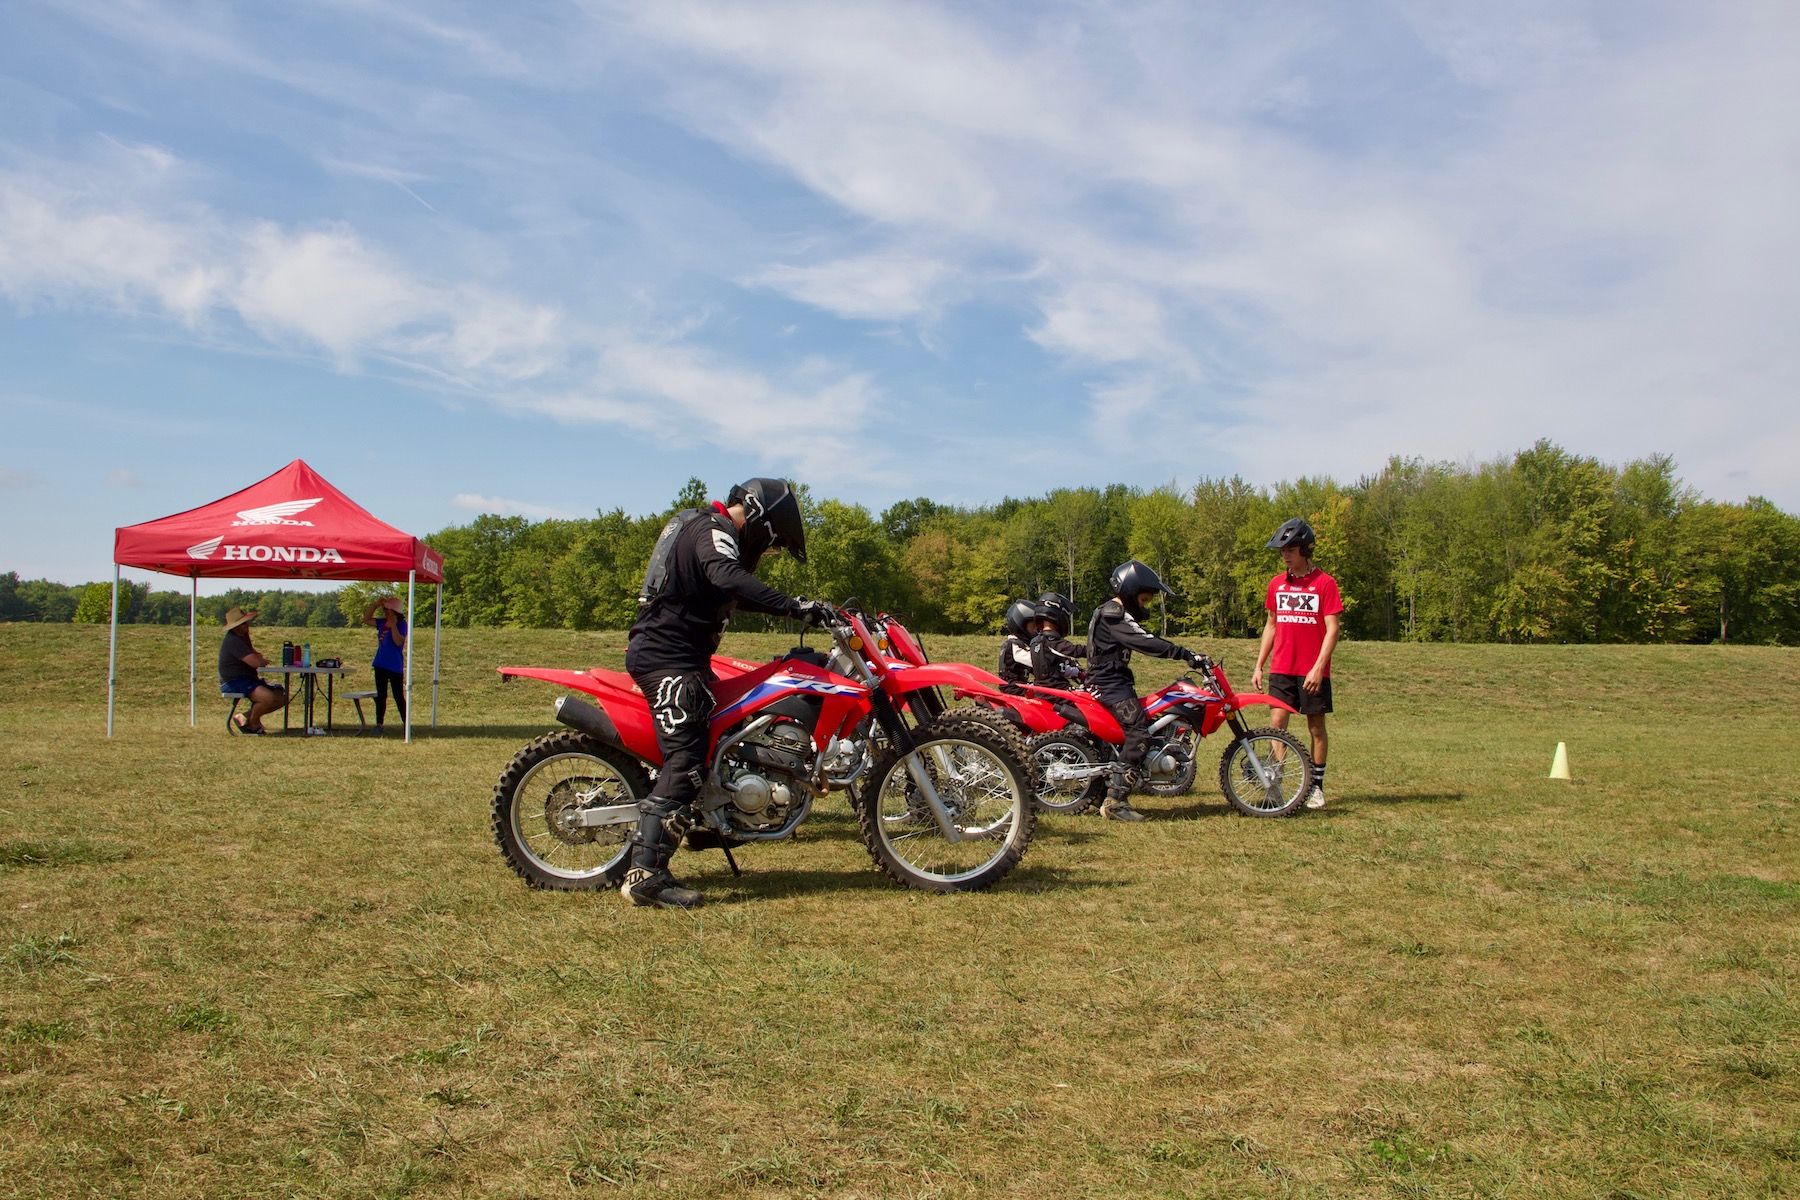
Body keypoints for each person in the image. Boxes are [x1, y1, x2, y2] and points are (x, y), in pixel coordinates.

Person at [621, 477, 828, 909]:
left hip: (678, 656)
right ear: (759, 521)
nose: (768, 554)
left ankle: (707, 824)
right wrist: (794, 605)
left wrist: (794, 604)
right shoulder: (713, 529)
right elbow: (728, 578)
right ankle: (645, 875)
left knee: (724, 740)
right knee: (687, 759)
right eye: (772, 545)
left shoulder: (701, 527)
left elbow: (729, 589)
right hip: (668, 660)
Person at [1086, 561, 1210, 821]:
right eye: (1144, 599)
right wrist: (1184, 654)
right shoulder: (1113, 613)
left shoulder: (1115, 612)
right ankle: (1115, 802)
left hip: (1114, 682)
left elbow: (1142, 635)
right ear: (1131, 592)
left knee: (1144, 724)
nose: (1145, 605)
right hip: (1108, 684)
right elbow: (1143, 640)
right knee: (1139, 732)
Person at [1250, 518, 1342, 810]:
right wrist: (1259, 664)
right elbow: (1271, 625)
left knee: (1316, 728)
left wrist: (1318, 667)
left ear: (1305, 549)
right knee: (1277, 726)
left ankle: (1316, 787)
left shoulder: (1325, 584)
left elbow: (1333, 629)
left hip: (1312, 671)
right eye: (1282, 551)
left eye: (1290, 549)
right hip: (1282, 669)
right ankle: (1274, 787)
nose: (1285, 555)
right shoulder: (1277, 584)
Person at [217, 606, 289, 735]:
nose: (247, 625)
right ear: (235, 627)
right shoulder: (233, 641)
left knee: (281, 697)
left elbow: (254, 654)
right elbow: (255, 662)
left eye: (246, 622)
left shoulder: (243, 636)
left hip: (247, 678)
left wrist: (258, 658)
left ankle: (244, 717)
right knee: (267, 697)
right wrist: (260, 660)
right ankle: (253, 724)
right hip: (233, 681)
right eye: (243, 623)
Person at [361, 595, 408, 732]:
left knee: (398, 695)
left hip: (394, 665)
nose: (385, 613)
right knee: (381, 695)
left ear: (395, 613)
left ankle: (406, 723)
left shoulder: (402, 625)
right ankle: (379, 724)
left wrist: (393, 626)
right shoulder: (381, 623)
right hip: (380, 664)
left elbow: (399, 641)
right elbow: (366, 619)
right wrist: (375, 604)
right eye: (385, 610)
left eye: (388, 611)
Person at [1028, 591, 1086, 685]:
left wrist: (1077, 672)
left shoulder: (1035, 641)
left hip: (1042, 690)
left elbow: (1056, 667)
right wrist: (1093, 649)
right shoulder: (1051, 641)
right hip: (1056, 692)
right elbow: (1073, 650)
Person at [996, 599, 1039, 692]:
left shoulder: (1021, 644)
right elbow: (1032, 661)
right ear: (1021, 625)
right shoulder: (1013, 644)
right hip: (1013, 689)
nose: (1036, 630)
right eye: (1033, 626)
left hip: (1020, 687)